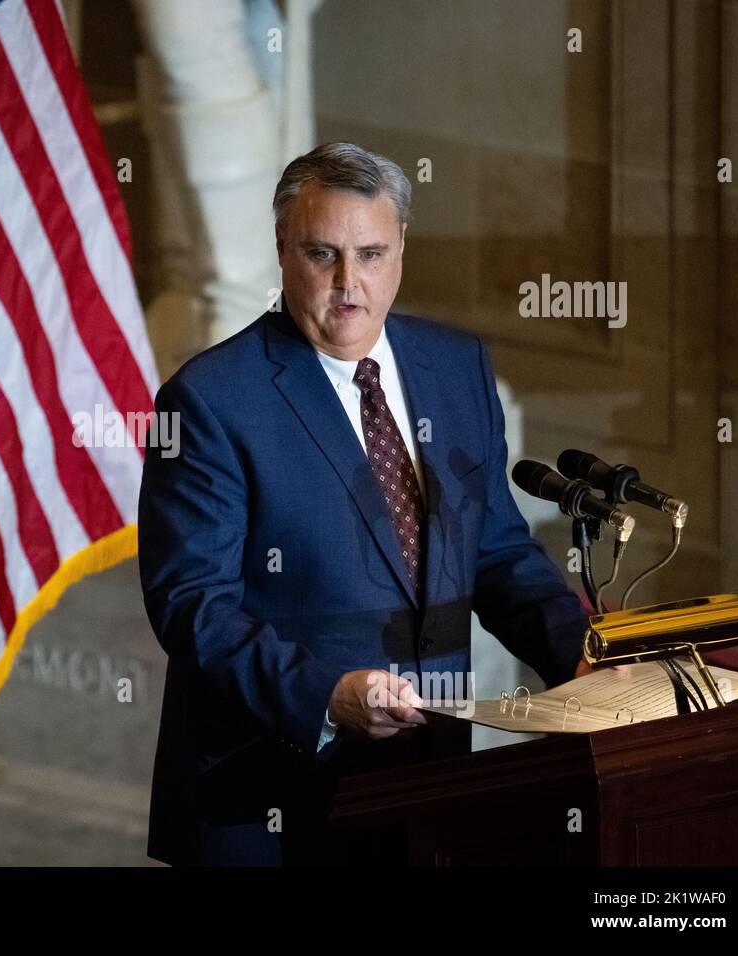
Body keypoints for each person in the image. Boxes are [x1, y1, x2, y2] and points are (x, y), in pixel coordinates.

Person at [137, 141, 591, 866]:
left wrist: (584, 659)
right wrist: (324, 694)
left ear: (401, 246)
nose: (349, 284)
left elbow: (495, 550)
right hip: (268, 799)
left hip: (427, 784)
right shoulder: (210, 401)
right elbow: (192, 605)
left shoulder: (457, 366)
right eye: (322, 255)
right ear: (282, 247)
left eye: (371, 254)